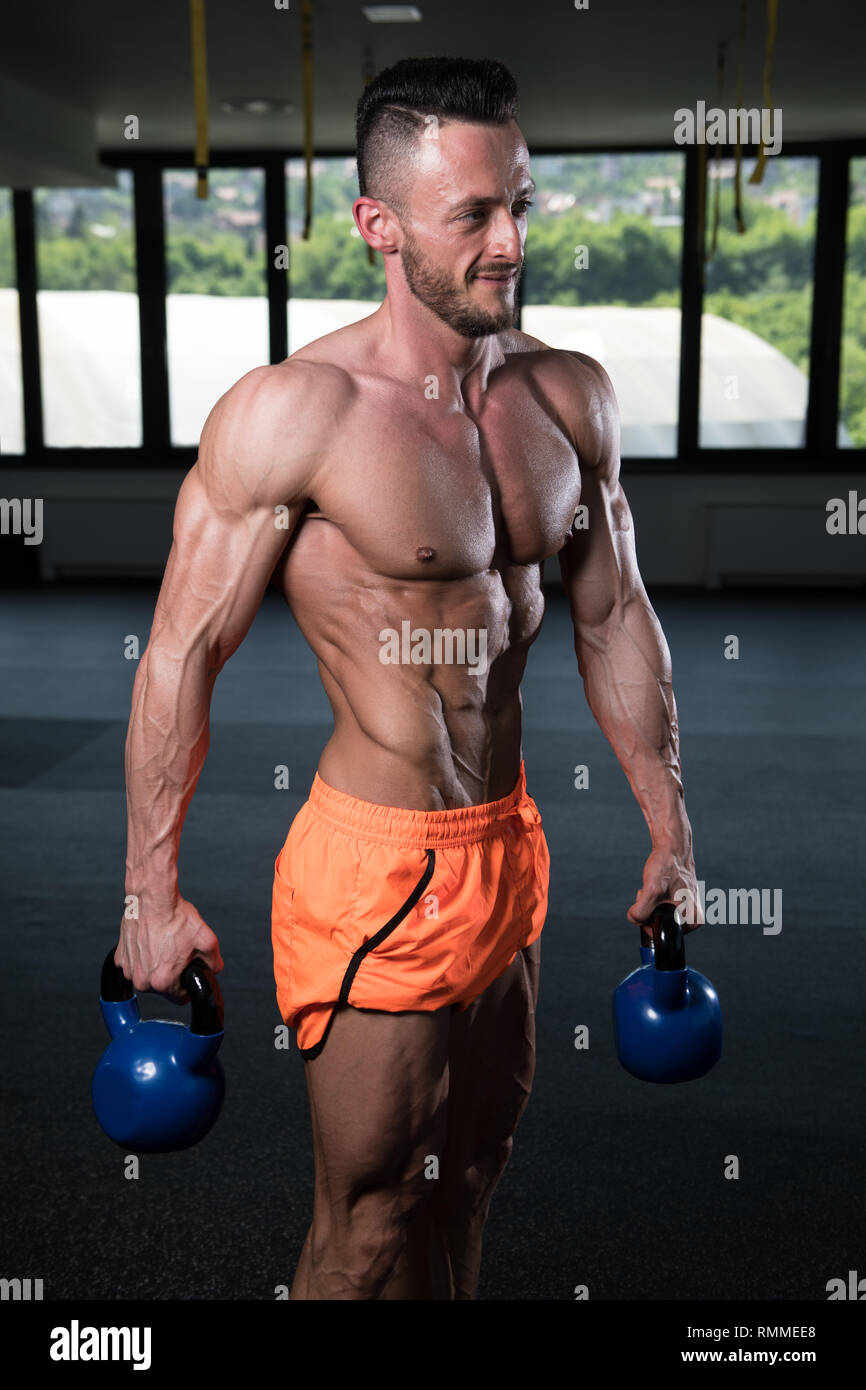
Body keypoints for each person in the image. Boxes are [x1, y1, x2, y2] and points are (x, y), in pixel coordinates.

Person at [116, 55, 701, 1300]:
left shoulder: (566, 400)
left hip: (507, 843)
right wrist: (147, 896)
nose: (508, 244)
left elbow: (613, 620)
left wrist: (670, 833)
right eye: (471, 215)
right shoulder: (297, 413)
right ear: (379, 227)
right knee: (372, 1214)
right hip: (374, 865)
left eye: (520, 207)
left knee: (472, 1171)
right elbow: (179, 654)